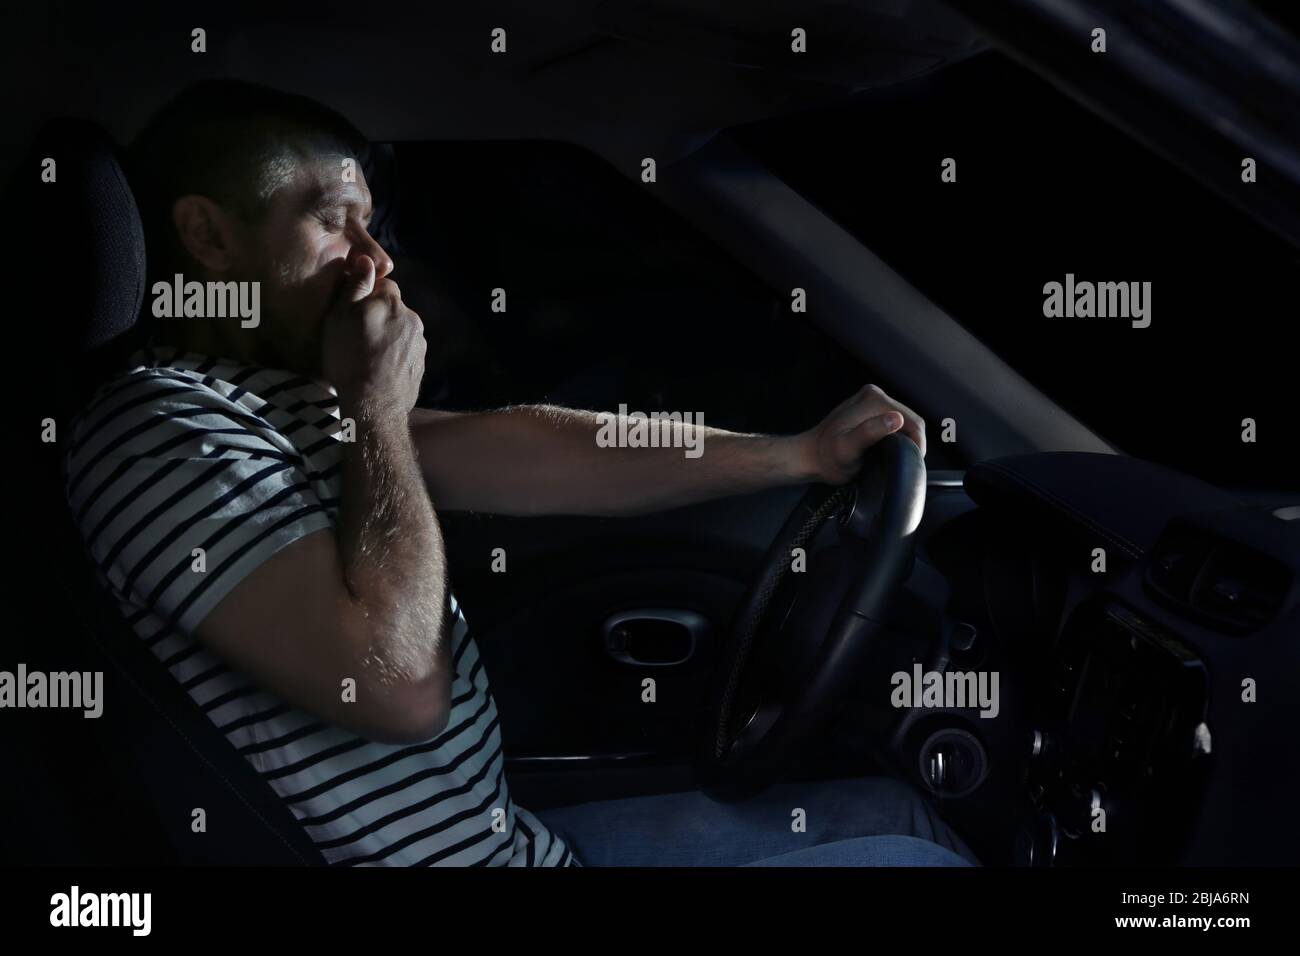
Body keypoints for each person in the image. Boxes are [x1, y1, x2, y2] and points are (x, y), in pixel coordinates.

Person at [64, 79, 974, 867]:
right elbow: (394, 686)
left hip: (509, 845)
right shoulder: (158, 434)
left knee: (898, 816)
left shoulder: (275, 399)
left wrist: (798, 455)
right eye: (335, 222)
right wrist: (377, 408)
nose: (376, 261)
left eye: (372, 227)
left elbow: (532, 450)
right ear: (208, 238)